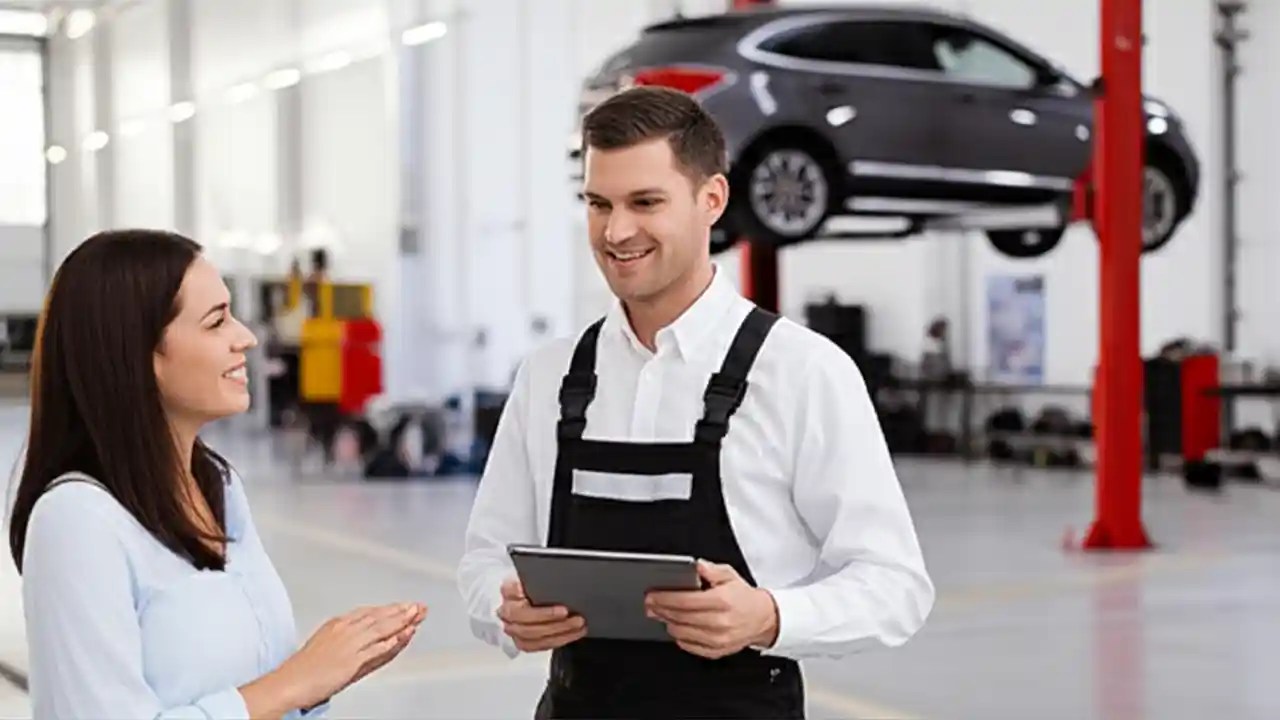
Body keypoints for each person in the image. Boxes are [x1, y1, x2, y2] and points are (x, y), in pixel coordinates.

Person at [456, 86, 934, 718]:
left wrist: (769, 616)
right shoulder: (550, 377)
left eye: (645, 202)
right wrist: (504, 607)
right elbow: (485, 560)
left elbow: (895, 586)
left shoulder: (802, 372)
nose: (616, 231)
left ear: (712, 199)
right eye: (598, 204)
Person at [6, 230, 427, 719]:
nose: (245, 337)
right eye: (217, 322)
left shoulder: (218, 487)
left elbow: (257, 687)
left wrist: (323, 677)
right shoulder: (78, 521)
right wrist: (295, 682)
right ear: (139, 355)